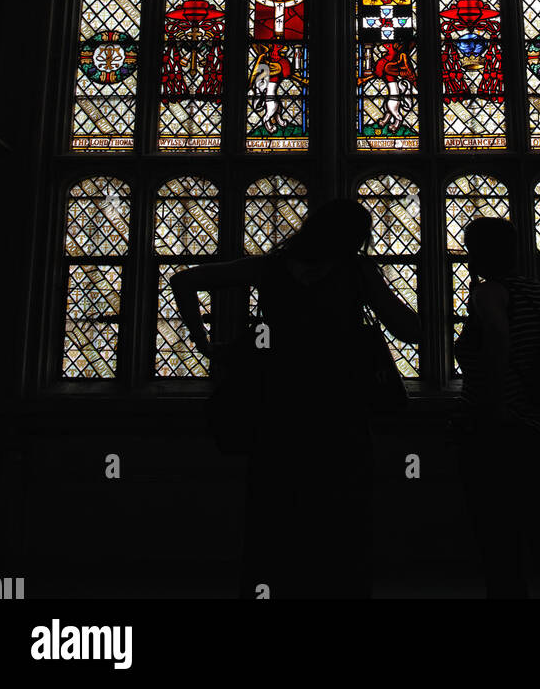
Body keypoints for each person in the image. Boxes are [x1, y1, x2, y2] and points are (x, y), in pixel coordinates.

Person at [171, 199, 420, 600]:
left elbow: (183, 281)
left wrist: (204, 341)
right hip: (339, 412)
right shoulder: (357, 272)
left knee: (274, 519)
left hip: (277, 408)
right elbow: (407, 330)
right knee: (342, 522)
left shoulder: (267, 268)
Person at [454, 216, 540, 599]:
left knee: (499, 542)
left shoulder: (488, 293)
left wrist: (493, 406)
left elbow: (496, 337)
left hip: (504, 431)